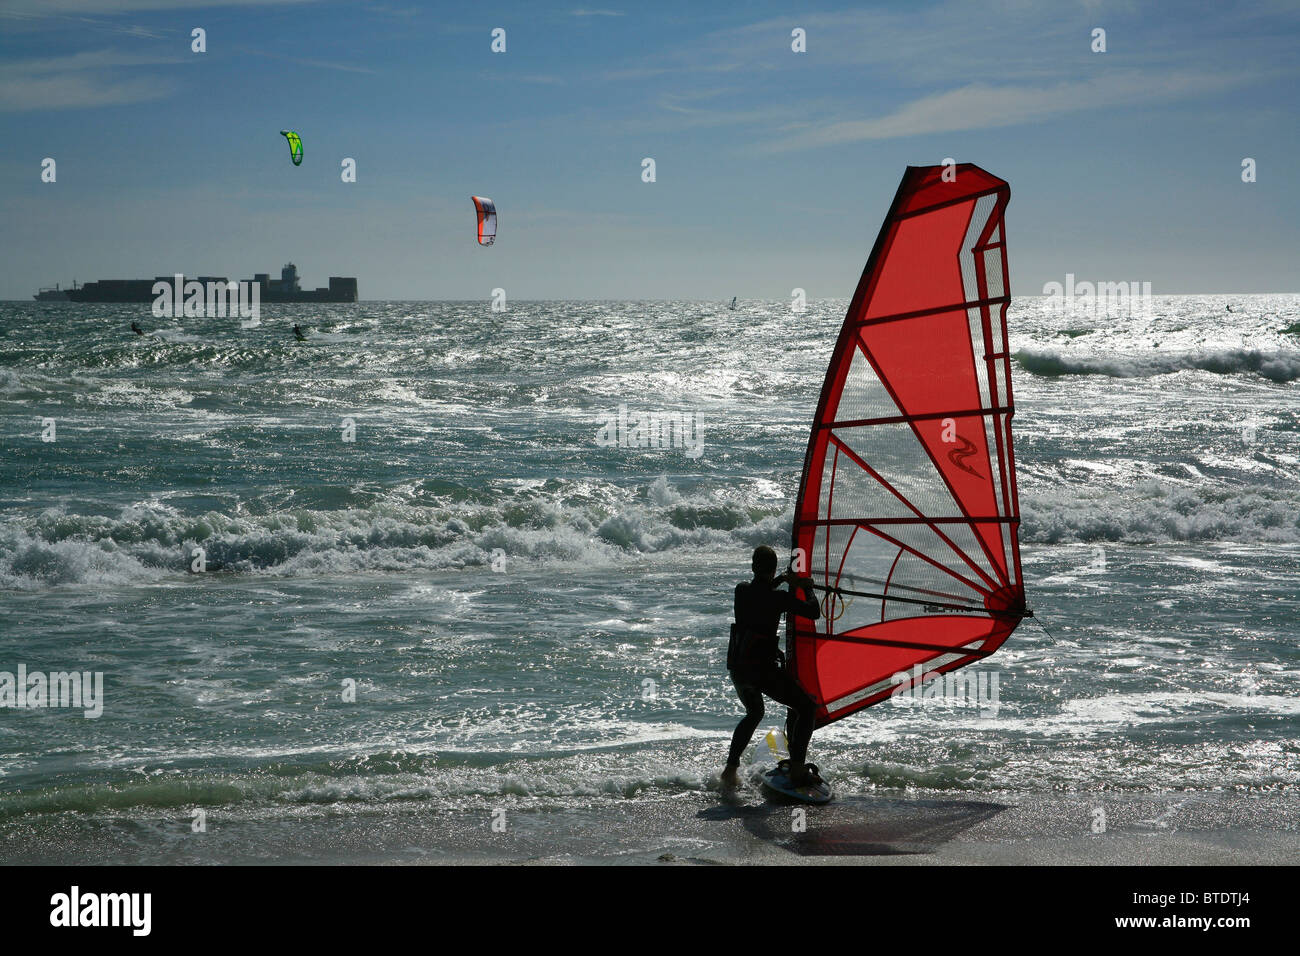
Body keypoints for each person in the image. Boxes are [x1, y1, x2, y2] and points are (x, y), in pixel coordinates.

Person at [721, 545, 821, 789]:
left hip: (739, 668)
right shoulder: (780, 599)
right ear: (773, 569)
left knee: (754, 713)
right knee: (806, 708)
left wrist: (781, 581)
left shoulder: (741, 591)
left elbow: (761, 592)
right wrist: (805, 587)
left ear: (753, 567)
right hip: (762, 670)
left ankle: (730, 770)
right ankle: (797, 769)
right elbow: (814, 612)